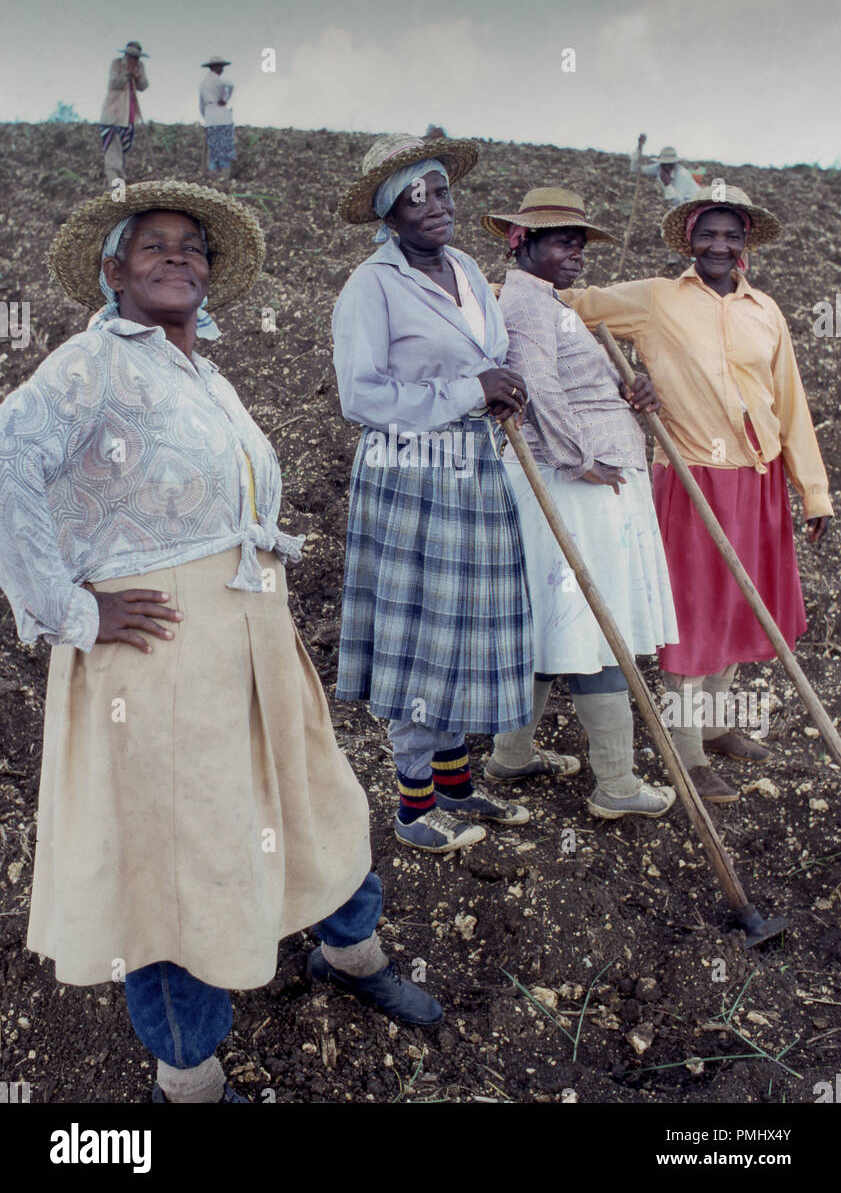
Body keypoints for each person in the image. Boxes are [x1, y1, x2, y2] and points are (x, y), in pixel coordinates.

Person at [0, 181, 440, 1105]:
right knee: (175, 860)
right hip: (156, 658)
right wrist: (74, 612)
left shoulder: (204, 371)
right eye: (153, 245)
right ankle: (187, 1079)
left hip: (251, 637)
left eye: (193, 247)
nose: (178, 257)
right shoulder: (91, 366)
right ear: (112, 269)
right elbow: (8, 463)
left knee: (312, 798)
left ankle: (349, 954)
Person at [562, 183, 833, 802]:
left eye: (730, 235)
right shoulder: (656, 300)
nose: (719, 244)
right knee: (694, 615)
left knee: (740, 606)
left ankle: (713, 728)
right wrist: (507, 290)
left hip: (757, 482)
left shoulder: (765, 310)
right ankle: (685, 752)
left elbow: (790, 405)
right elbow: (575, 306)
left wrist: (812, 492)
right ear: (690, 241)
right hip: (691, 479)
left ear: (744, 245)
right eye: (707, 234)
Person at [332, 133, 538, 854]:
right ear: (389, 216)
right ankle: (413, 807)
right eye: (415, 197)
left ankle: (455, 785)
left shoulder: (467, 270)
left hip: (473, 470)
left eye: (441, 190)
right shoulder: (372, 286)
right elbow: (360, 396)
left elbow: (496, 356)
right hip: (408, 477)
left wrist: (505, 388)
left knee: (464, 628)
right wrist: (465, 390)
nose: (435, 205)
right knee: (421, 637)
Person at [479, 188, 677, 819]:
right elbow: (534, 386)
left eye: (580, 242)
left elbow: (564, 378)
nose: (576, 254)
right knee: (596, 618)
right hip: (570, 485)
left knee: (554, 619)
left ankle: (511, 756)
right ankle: (617, 785)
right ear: (521, 241)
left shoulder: (551, 304)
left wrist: (625, 390)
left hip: (579, 481)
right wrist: (581, 458)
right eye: (564, 241)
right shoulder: (529, 304)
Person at [99, 40, 149, 186]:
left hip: (130, 118)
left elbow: (144, 86)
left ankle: (120, 192)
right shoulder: (117, 64)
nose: (133, 59)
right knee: (114, 160)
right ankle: (117, 196)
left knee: (121, 156)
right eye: (131, 56)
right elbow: (114, 83)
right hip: (113, 116)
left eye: (136, 57)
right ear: (126, 55)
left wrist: (137, 74)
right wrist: (127, 73)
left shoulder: (140, 67)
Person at [629, 136, 699, 206]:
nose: (666, 167)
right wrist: (639, 147)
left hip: (695, 203)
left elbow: (678, 202)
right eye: (664, 164)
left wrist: (667, 184)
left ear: (674, 163)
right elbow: (635, 169)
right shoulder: (658, 168)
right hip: (682, 205)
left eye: (669, 164)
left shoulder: (682, 174)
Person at [199, 57, 236, 177]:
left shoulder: (203, 83)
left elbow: (201, 104)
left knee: (214, 149)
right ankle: (224, 176)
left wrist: (206, 117)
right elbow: (231, 85)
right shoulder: (219, 81)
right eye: (221, 67)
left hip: (210, 117)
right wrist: (225, 99)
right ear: (216, 68)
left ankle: (214, 175)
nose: (223, 70)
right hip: (222, 117)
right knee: (224, 148)